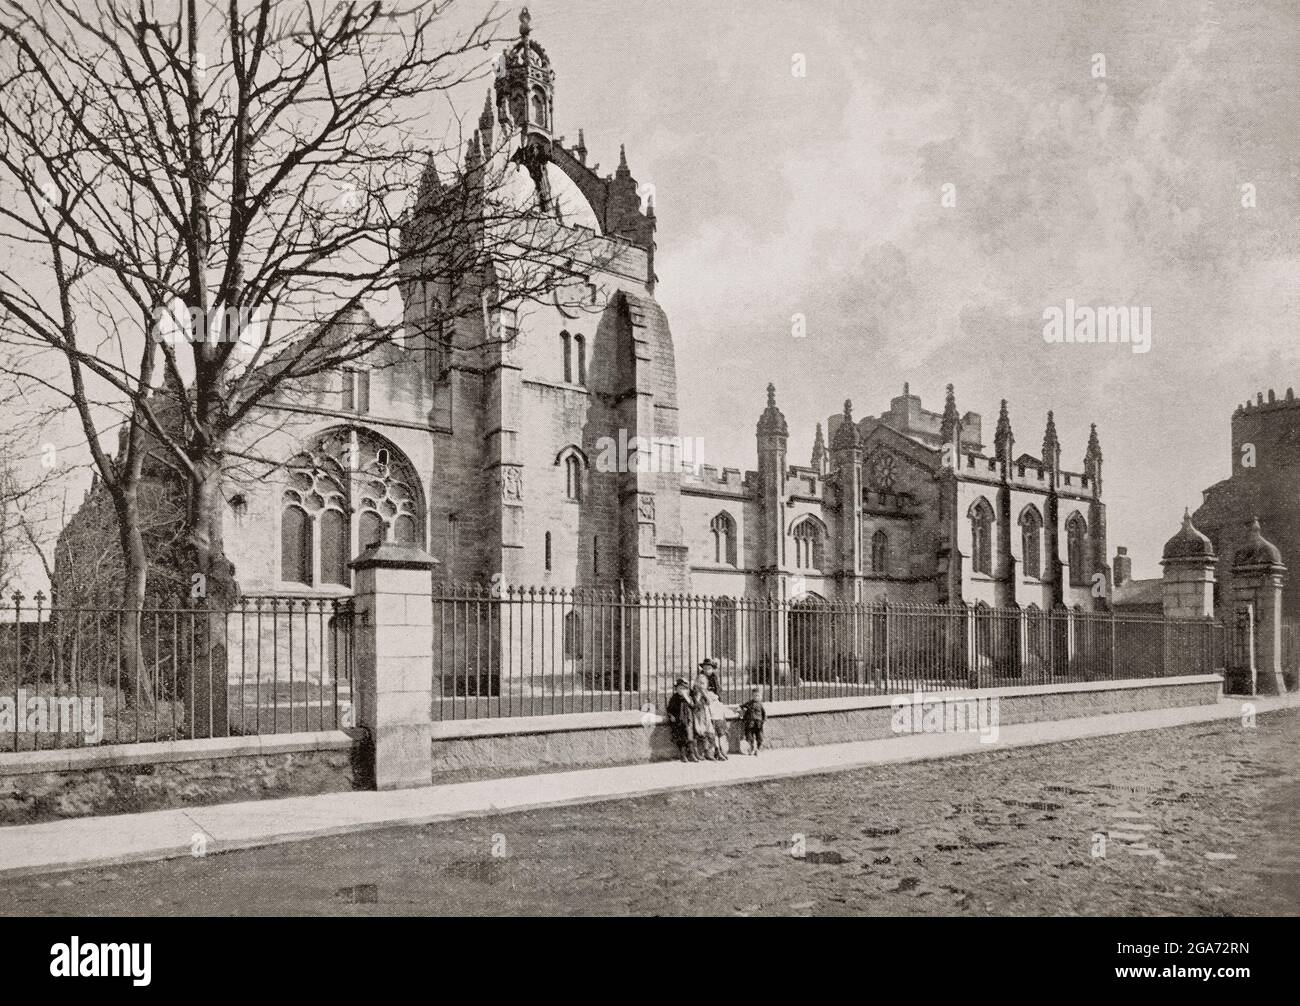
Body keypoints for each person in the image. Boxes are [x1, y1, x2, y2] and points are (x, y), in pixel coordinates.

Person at [689, 671, 720, 761]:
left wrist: (705, 694)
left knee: (709, 733)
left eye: (703, 683)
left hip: (705, 715)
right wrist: (698, 695)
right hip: (697, 715)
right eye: (699, 682)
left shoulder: (706, 693)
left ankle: (709, 752)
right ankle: (696, 753)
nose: (701, 685)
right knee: (698, 733)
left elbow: (709, 702)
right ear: (696, 683)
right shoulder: (693, 693)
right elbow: (694, 704)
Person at [666, 679, 697, 761]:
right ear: (676, 689)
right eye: (680, 688)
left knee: (690, 737)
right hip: (678, 721)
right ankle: (683, 754)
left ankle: (691, 754)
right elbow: (669, 709)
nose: (682, 690)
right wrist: (671, 716)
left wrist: (687, 697)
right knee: (681, 737)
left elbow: (693, 705)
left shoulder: (688, 698)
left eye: (684, 688)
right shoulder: (675, 698)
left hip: (688, 720)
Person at [739, 685, 766, 756]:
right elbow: (741, 707)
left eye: (758, 695)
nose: (756, 697)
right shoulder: (749, 704)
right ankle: (751, 749)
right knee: (749, 737)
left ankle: (758, 749)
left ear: (761, 696)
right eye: (755, 695)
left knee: (760, 737)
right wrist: (741, 715)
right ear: (752, 696)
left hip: (758, 724)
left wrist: (763, 721)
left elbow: (764, 714)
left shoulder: (761, 705)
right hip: (750, 723)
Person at [706, 681, 730, 760]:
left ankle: (723, 752)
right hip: (712, 722)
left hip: (720, 722)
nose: (711, 696)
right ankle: (717, 752)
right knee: (715, 738)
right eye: (709, 694)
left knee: (722, 737)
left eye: (713, 694)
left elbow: (724, 711)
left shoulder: (719, 703)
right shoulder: (708, 705)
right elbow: (708, 714)